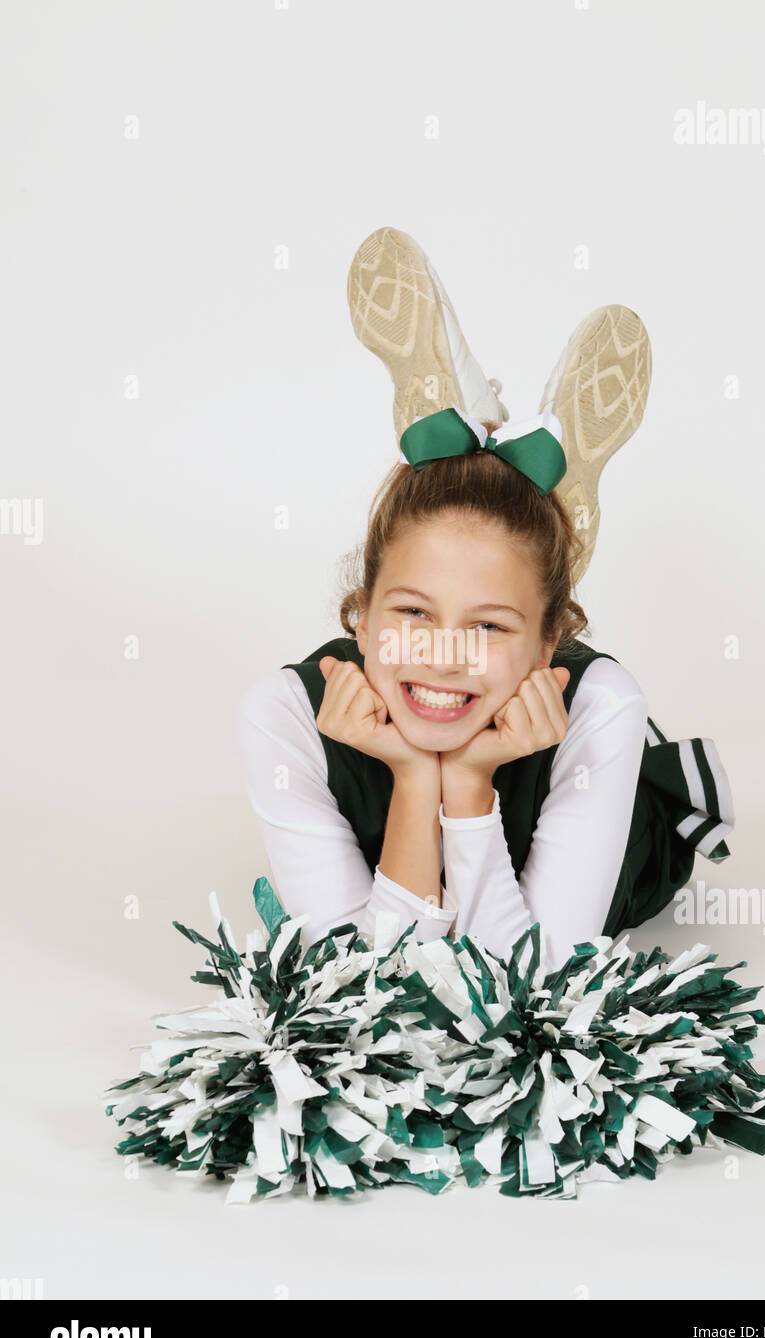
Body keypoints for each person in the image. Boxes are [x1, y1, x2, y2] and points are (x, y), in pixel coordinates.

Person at [236, 227, 734, 975]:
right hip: (465, 706)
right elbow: (371, 988)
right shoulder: (282, 715)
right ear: (360, 620)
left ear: (548, 647)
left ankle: (541, 489)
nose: (444, 653)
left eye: (489, 625)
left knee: (517, 563)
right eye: (411, 613)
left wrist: (466, 784)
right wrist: (413, 777)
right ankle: (515, 461)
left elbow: (529, 986)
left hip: (617, 835)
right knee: (498, 561)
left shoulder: (600, 704)